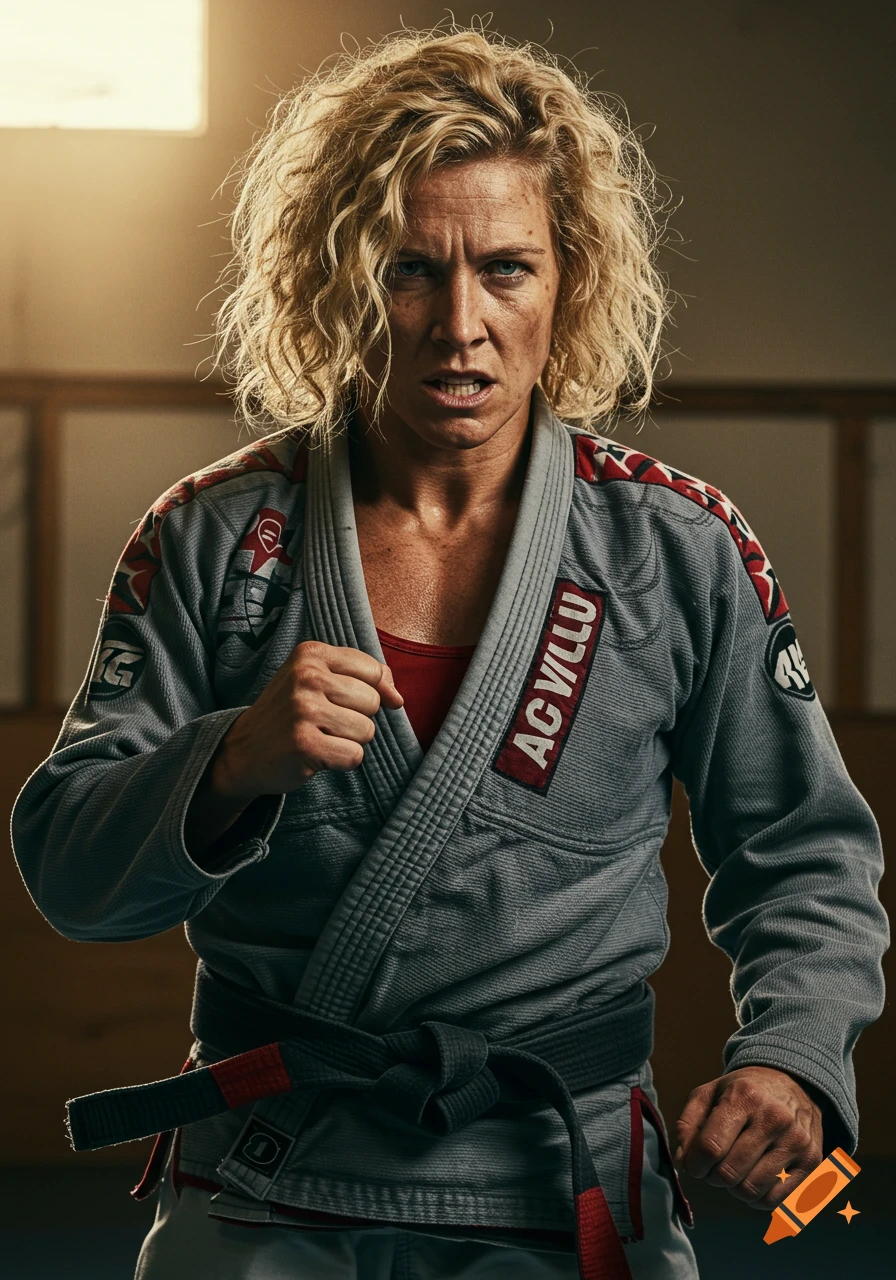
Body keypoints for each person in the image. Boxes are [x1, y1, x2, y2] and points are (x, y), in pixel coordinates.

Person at [10, 24, 888, 1280]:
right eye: (409, 270)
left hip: (559, 1163)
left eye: (507, 269)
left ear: (567, 281)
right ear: (334, 278)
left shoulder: (675, 550)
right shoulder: (213, 536)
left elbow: (803, 852)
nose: (459, 324)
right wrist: (228, 762)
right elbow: (71, 874)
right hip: (270, 1172)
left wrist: (791, 1052)